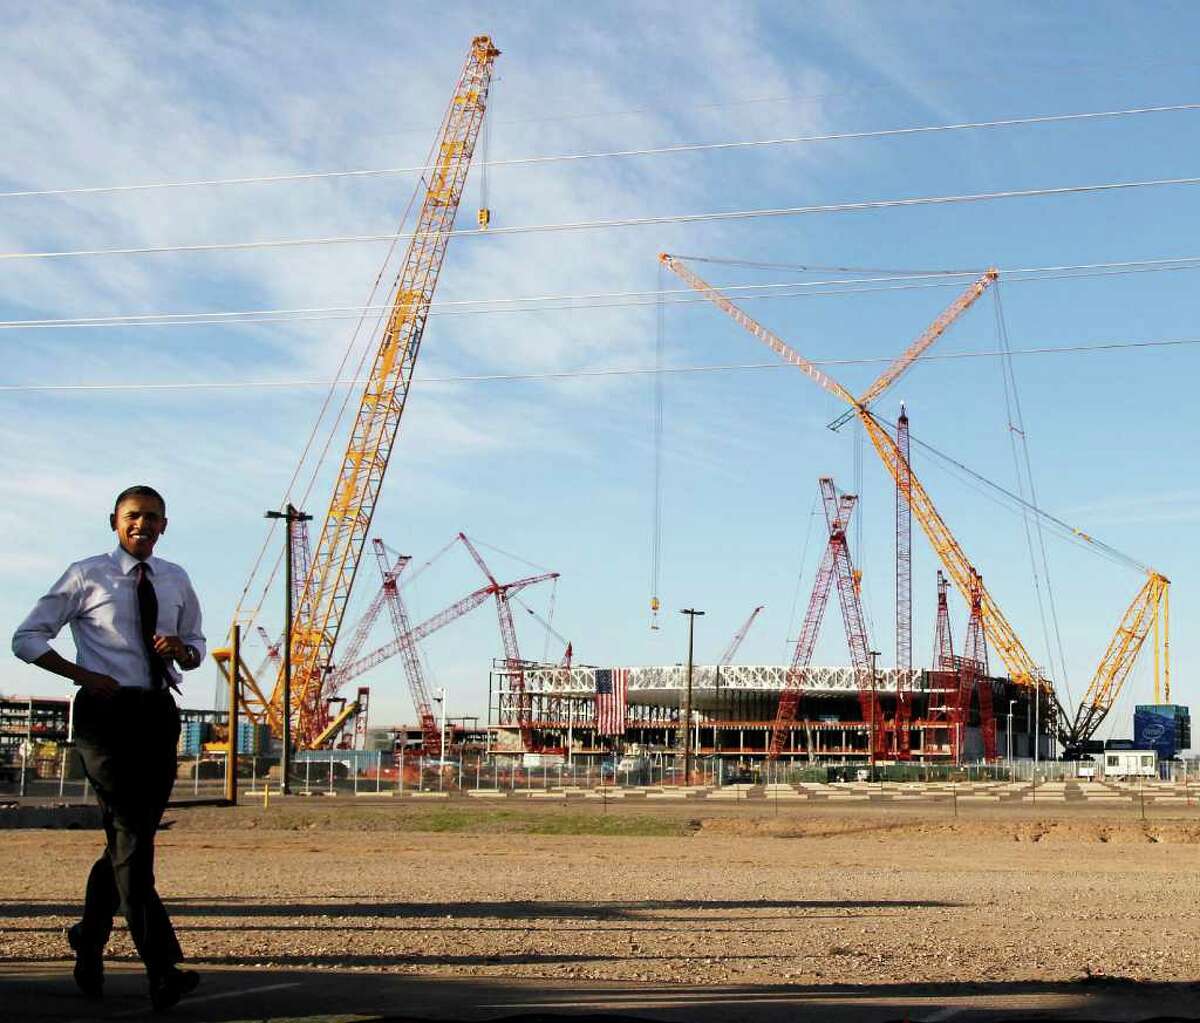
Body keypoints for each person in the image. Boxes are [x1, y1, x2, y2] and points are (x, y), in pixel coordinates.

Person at [12, 485, 206, 1011]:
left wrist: (183, 650)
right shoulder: (85, 574)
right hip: (105, 714)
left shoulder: (176, 578)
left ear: (164, 525)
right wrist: (81, 674)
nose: (141, 524)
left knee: (131, 836)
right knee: (130, 835)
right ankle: (162, 967)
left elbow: (198, 648)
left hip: (158, 713)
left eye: (151, 517)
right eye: (132, 516)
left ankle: (89, 935)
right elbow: (26, 638)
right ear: (114, 522)